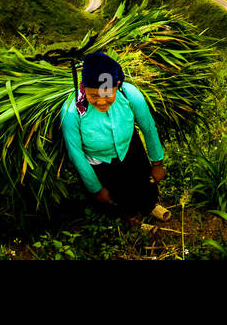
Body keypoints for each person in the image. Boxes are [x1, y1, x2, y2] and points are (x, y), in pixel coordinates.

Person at [60, 52, 171, 221]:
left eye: (107, 95)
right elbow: (76, 154)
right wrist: (96, 188)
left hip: (129, 146)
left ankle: (150, 205)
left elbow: (148, 128)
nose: (101, 102)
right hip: (99, 160)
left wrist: (157, 163)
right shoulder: (71, 111)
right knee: (113, 200)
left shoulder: (130, 94)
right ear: (84, 87)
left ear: (117, 85)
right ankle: (128, 218)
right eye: (93, 96)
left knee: (144, 183)